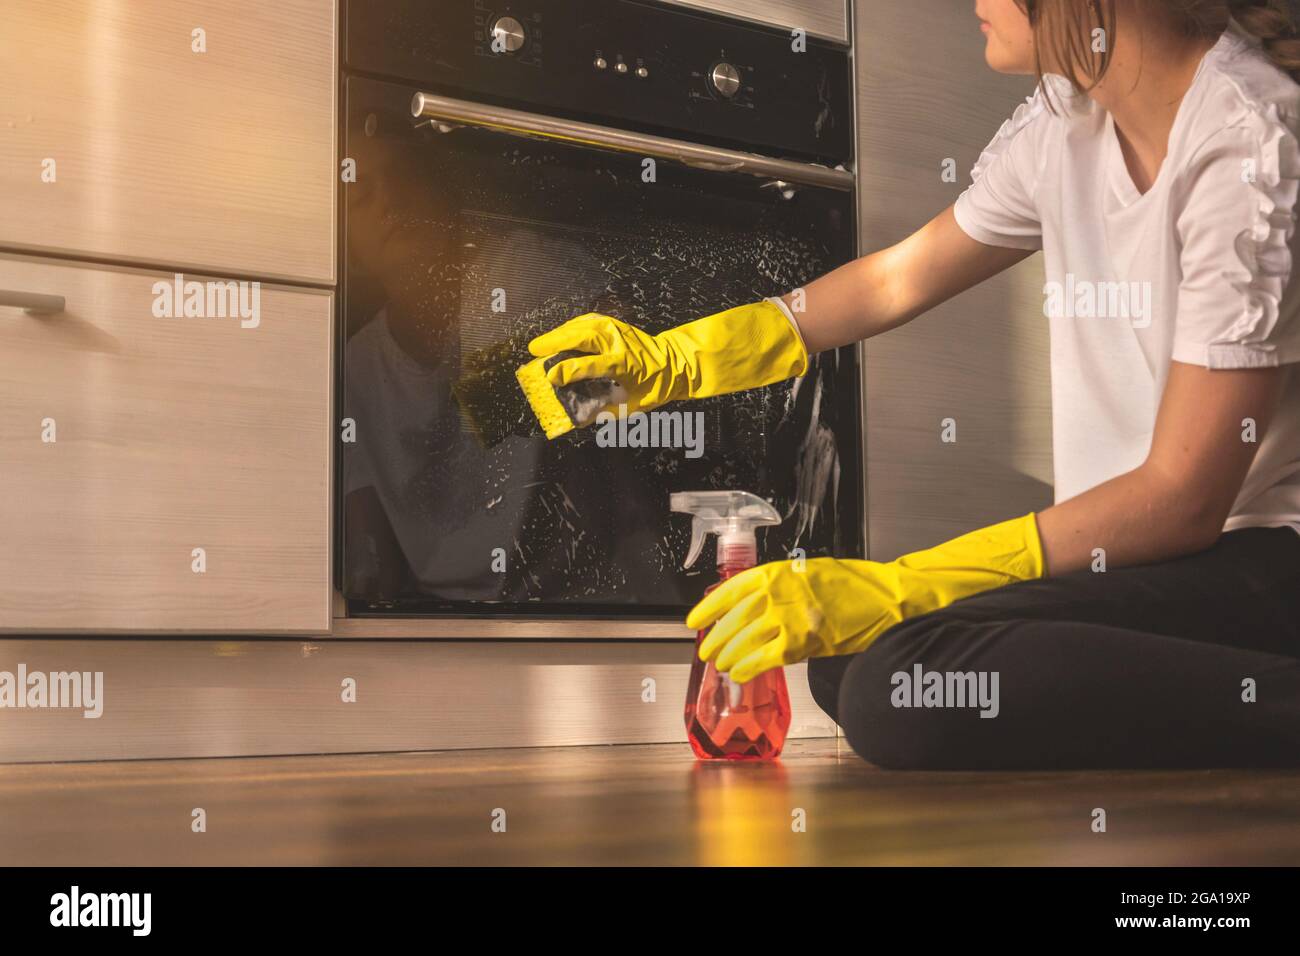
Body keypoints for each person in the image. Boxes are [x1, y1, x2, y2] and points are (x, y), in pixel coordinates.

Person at [524, 0, 1300, 769]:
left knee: (900, 683)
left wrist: (902, 584)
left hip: (1257, 560)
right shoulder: (1070, 120)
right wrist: (678, 361)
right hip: (1132, 558)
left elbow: (1184, 498)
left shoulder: (1246, 148)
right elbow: (896, 280)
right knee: (850, 658)